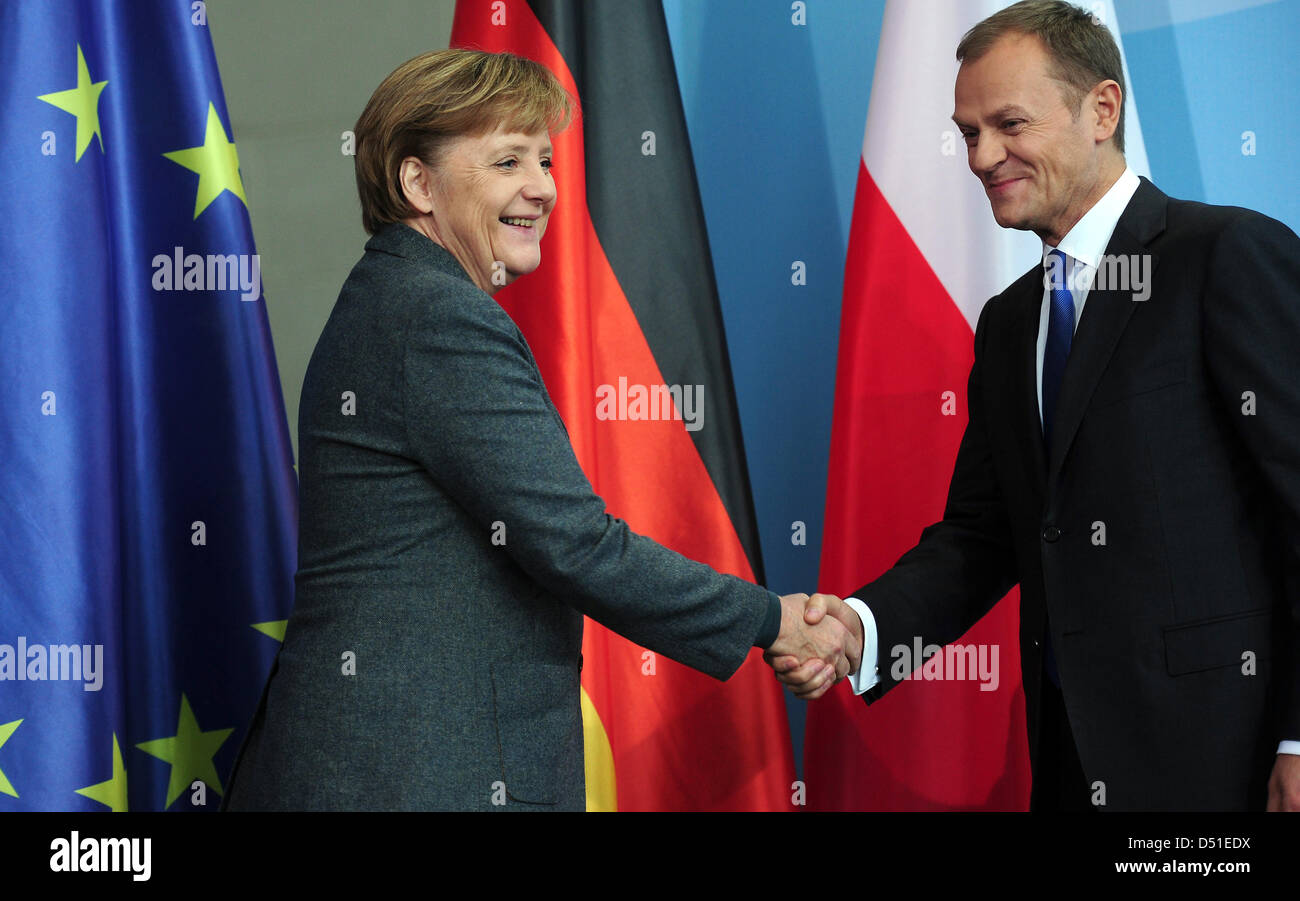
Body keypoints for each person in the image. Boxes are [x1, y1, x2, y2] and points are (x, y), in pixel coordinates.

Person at [221, 49, 855, 811]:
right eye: (507, 161)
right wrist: (773, 619)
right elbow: (576, 543)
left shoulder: (395, 296)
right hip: (412, 778)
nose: (543, 187)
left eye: (546, 159)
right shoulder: (436, 315)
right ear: (417, 183)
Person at [769, 0, 1300, 811]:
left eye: (1008, 123)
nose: (982, 156)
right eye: (968, 131)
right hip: (1069, 760)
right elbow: (985, 534)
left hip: (1227, 762)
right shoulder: (1012, 319)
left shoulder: (1224, 256)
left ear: (1102, 109)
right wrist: (860, 629)